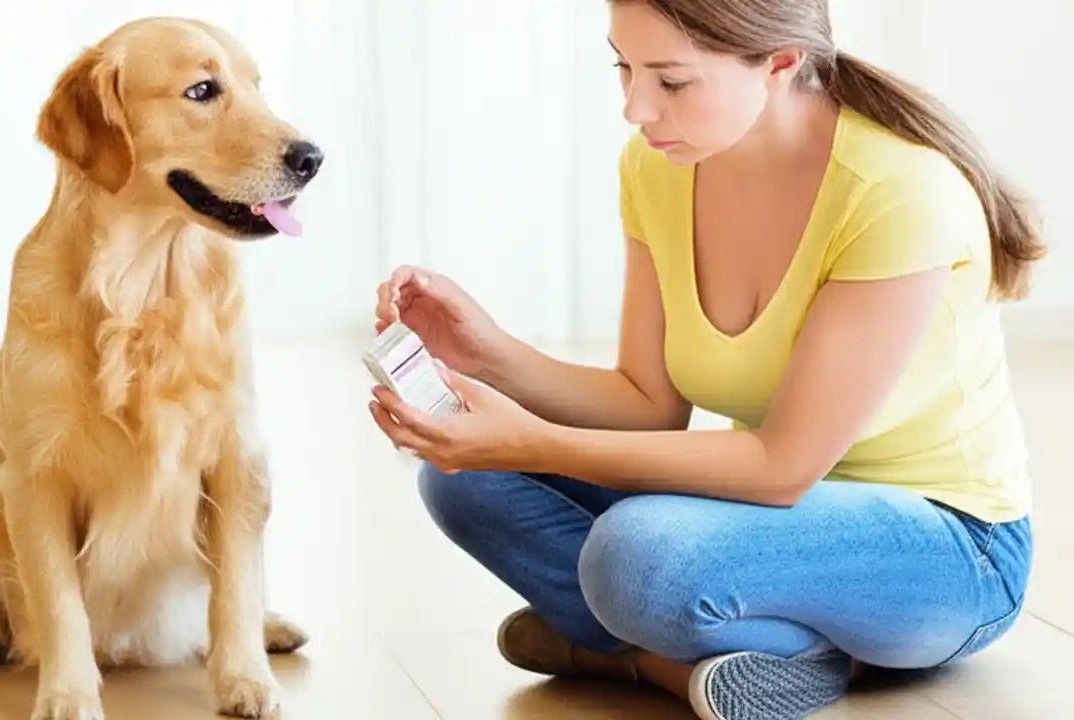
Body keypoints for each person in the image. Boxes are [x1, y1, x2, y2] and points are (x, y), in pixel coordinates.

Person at [367, 1, 1045, 719]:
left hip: (949, 549)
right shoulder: (660, 165)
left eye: (672, 81)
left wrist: (532, 439)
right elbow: (646, 404)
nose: (635, 108)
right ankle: (714, 651)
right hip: (756, 518)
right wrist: (489, 354)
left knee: (639, 557)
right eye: (624, 68)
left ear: (780, 63)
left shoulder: (897, 191)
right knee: (465, 482)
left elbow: (782, 468)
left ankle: (631, 652)